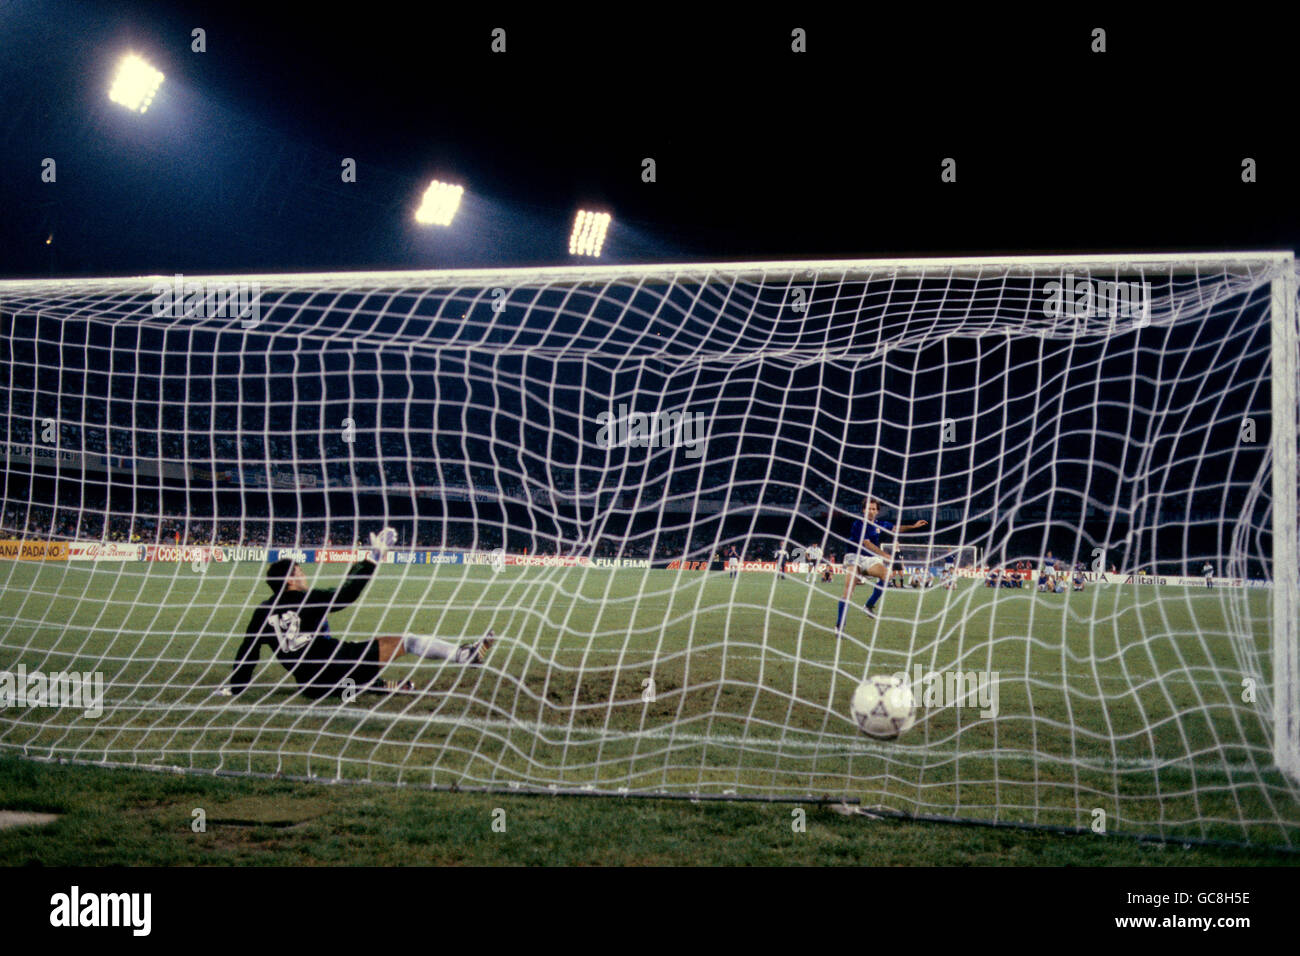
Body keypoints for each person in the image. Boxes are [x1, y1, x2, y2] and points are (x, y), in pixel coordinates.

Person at [219, 528, 493, 701]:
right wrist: (372, 558)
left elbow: (248, 651)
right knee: (406, 641)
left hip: (311, 687)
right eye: (300, 572)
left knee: (342, 665)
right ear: (290, 579)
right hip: (339, 664)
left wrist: (236, 686)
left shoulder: (262, 611)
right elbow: (347, 593)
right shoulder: (308, 599)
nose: (304, 575)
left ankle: (374, 684)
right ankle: (463, 656)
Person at [834, 497, 928, 635]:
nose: (871, 511)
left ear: (877, 511)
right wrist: (885, 555)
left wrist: (913, 526)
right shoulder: (858, 524)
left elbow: (895, 529)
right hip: (854, 557)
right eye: (868, 508)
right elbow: (867, 543)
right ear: (863, 510)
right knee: (848, 591)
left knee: (887, 574)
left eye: (873, 509)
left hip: (870, 559)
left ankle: (869, 605)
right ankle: (839, 626)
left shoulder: (880, 524)